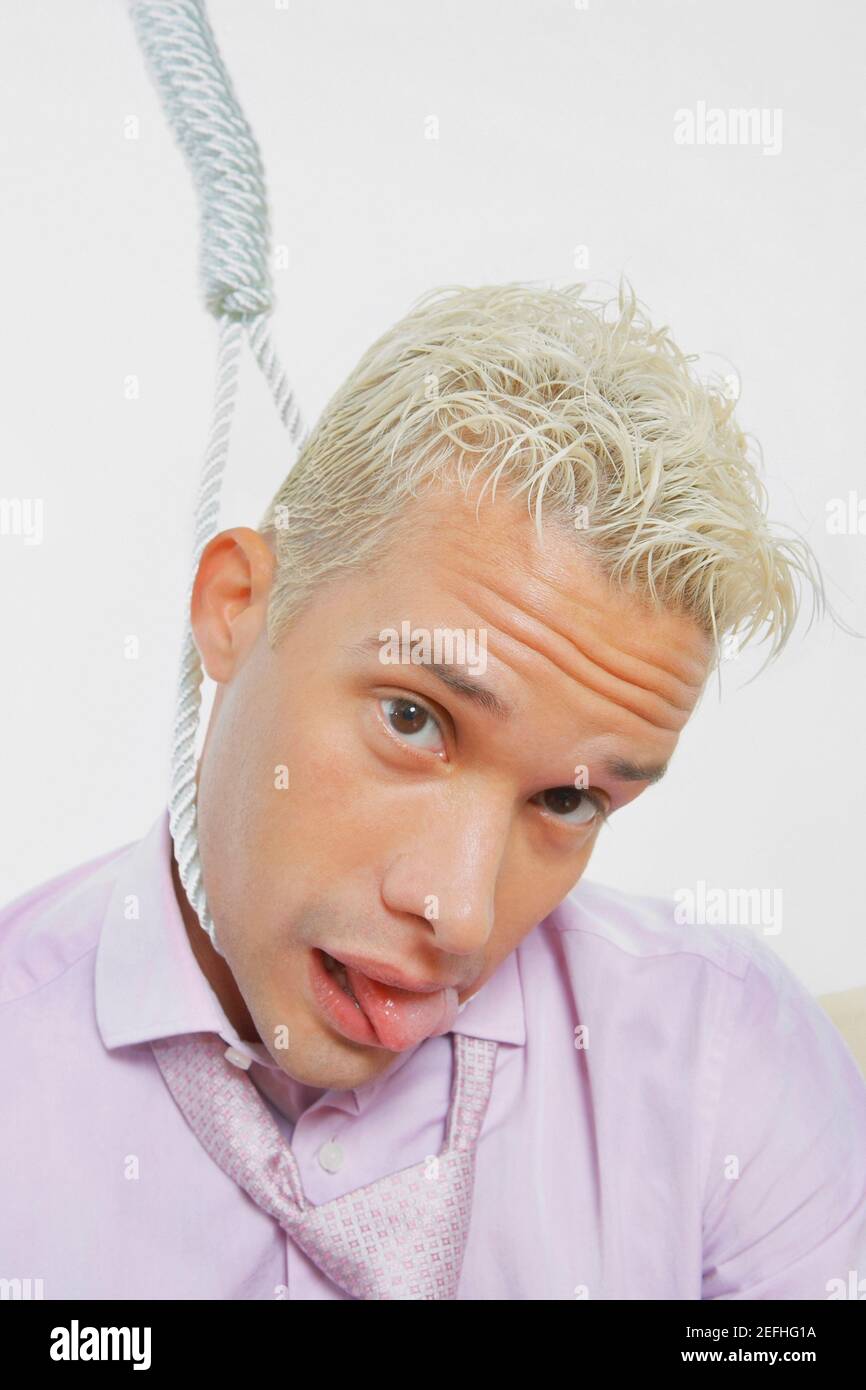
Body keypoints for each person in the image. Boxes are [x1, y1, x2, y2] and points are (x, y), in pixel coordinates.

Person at [2, 280, 865, 1301]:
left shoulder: (723, 1062)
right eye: (412, 719)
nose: (455, 913)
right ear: (235, 607)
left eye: (567, 800)